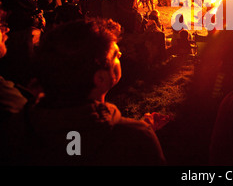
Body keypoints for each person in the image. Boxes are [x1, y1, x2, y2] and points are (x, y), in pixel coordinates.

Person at [0, 18, 166, 166]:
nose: (121, 54)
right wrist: (138, 131)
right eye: (115, 54)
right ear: (100, 79)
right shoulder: (136, 140)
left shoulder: (15, 130)